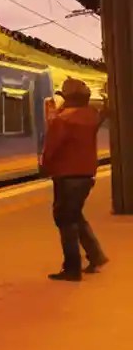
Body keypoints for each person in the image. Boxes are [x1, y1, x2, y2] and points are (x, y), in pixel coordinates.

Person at [40, 78, 109, 282]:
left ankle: (72, 268)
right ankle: (96, 256)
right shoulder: (91, 116)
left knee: (65, 219)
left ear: (67, 98)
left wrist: (45, 166)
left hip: (66, 175)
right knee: (74, 215)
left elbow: (52, 147)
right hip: (86, 175)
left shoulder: (62, 120)